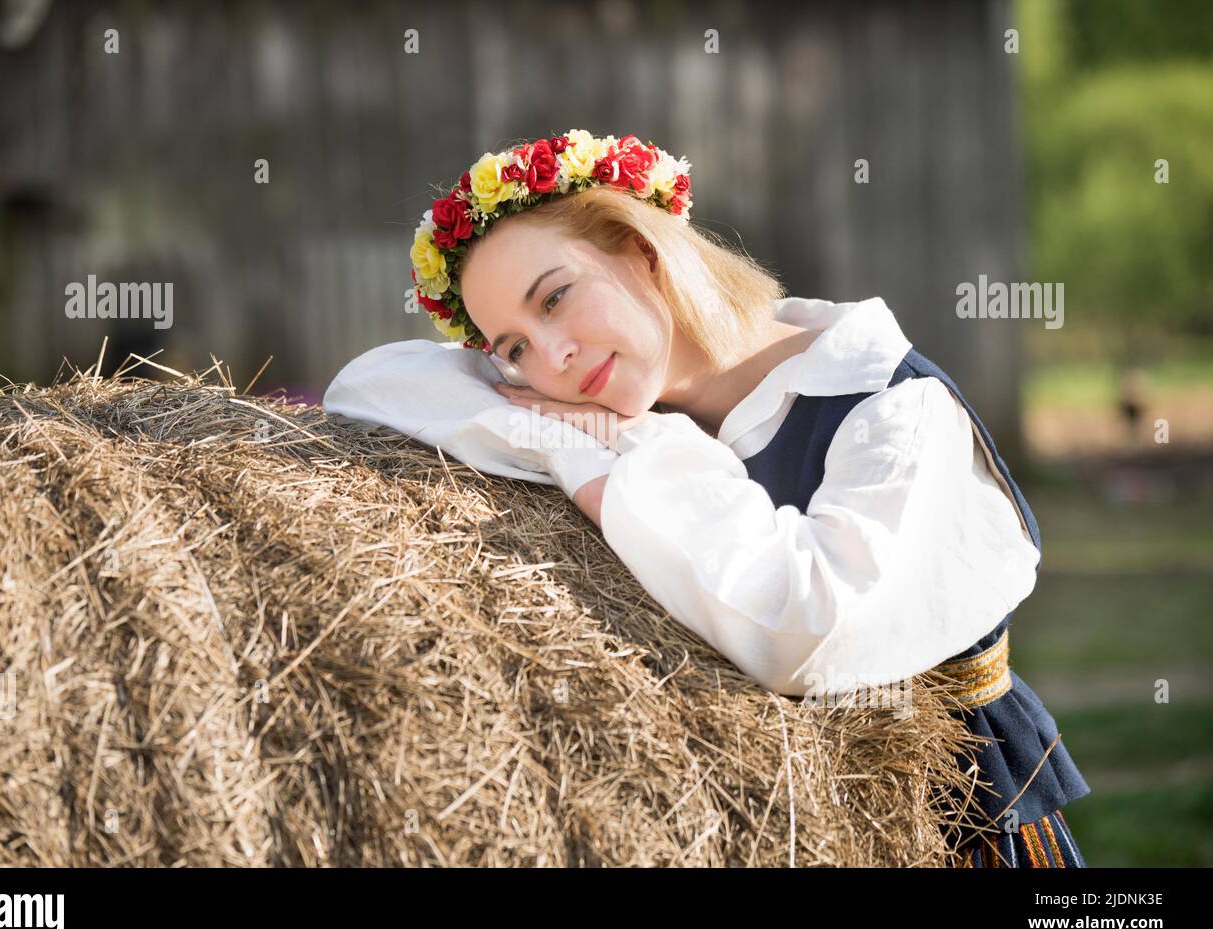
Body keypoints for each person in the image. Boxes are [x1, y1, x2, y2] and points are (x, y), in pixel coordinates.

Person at [337, 129, 1092, 867]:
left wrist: (625, 454)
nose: (552, 359)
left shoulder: (887, 402)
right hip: (765, 818)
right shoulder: (626, 398)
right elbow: (372, 385)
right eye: (512, 349)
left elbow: (804, 628)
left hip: (949, 820)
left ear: (642, 247)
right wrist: (577, 438)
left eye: (557, 298)